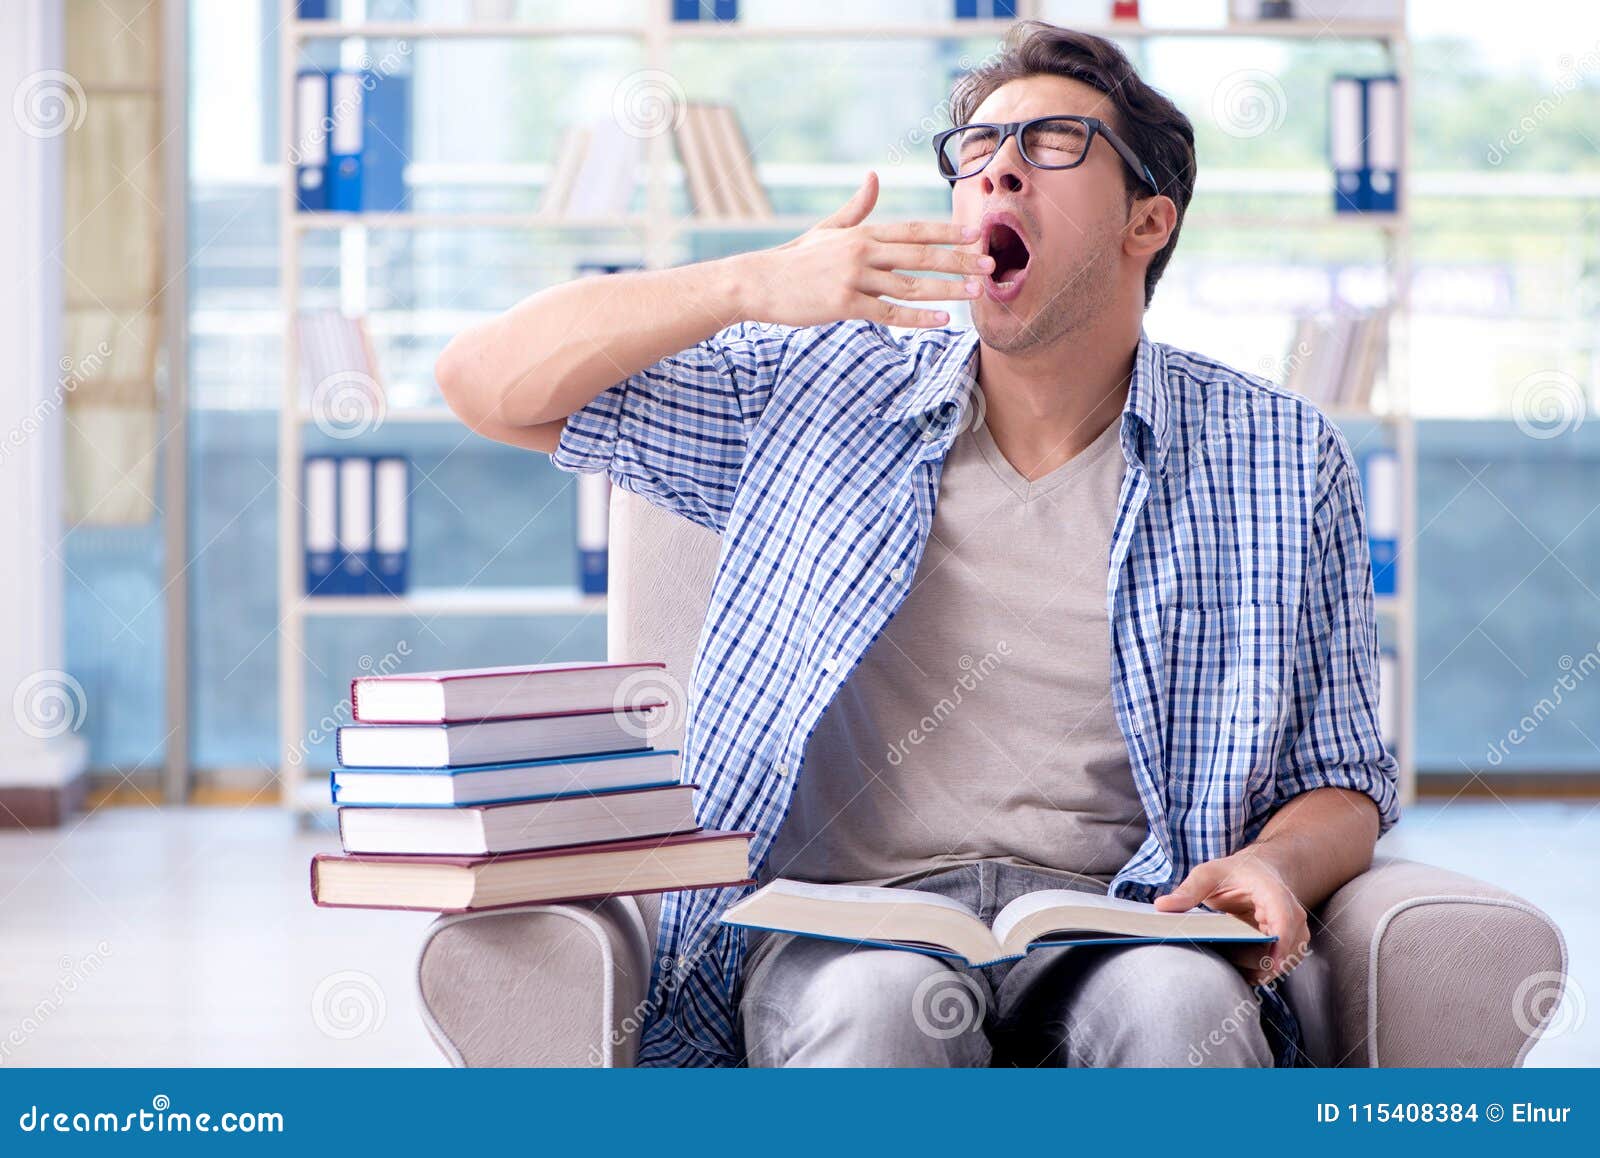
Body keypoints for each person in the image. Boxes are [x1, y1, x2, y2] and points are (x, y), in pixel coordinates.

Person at [434, 20, 1400, 1068]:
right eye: (976, 151)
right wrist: (747, 285)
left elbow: (1340, 776)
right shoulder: (815, 386)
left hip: (1125, 920)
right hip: (847, 923)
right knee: (876, 1012)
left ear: (1146, 222)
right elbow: (482, 382)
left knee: (1180, 1011)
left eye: (1052, 144)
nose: (998, 171)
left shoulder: (1277, 452)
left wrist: (1271, 863)